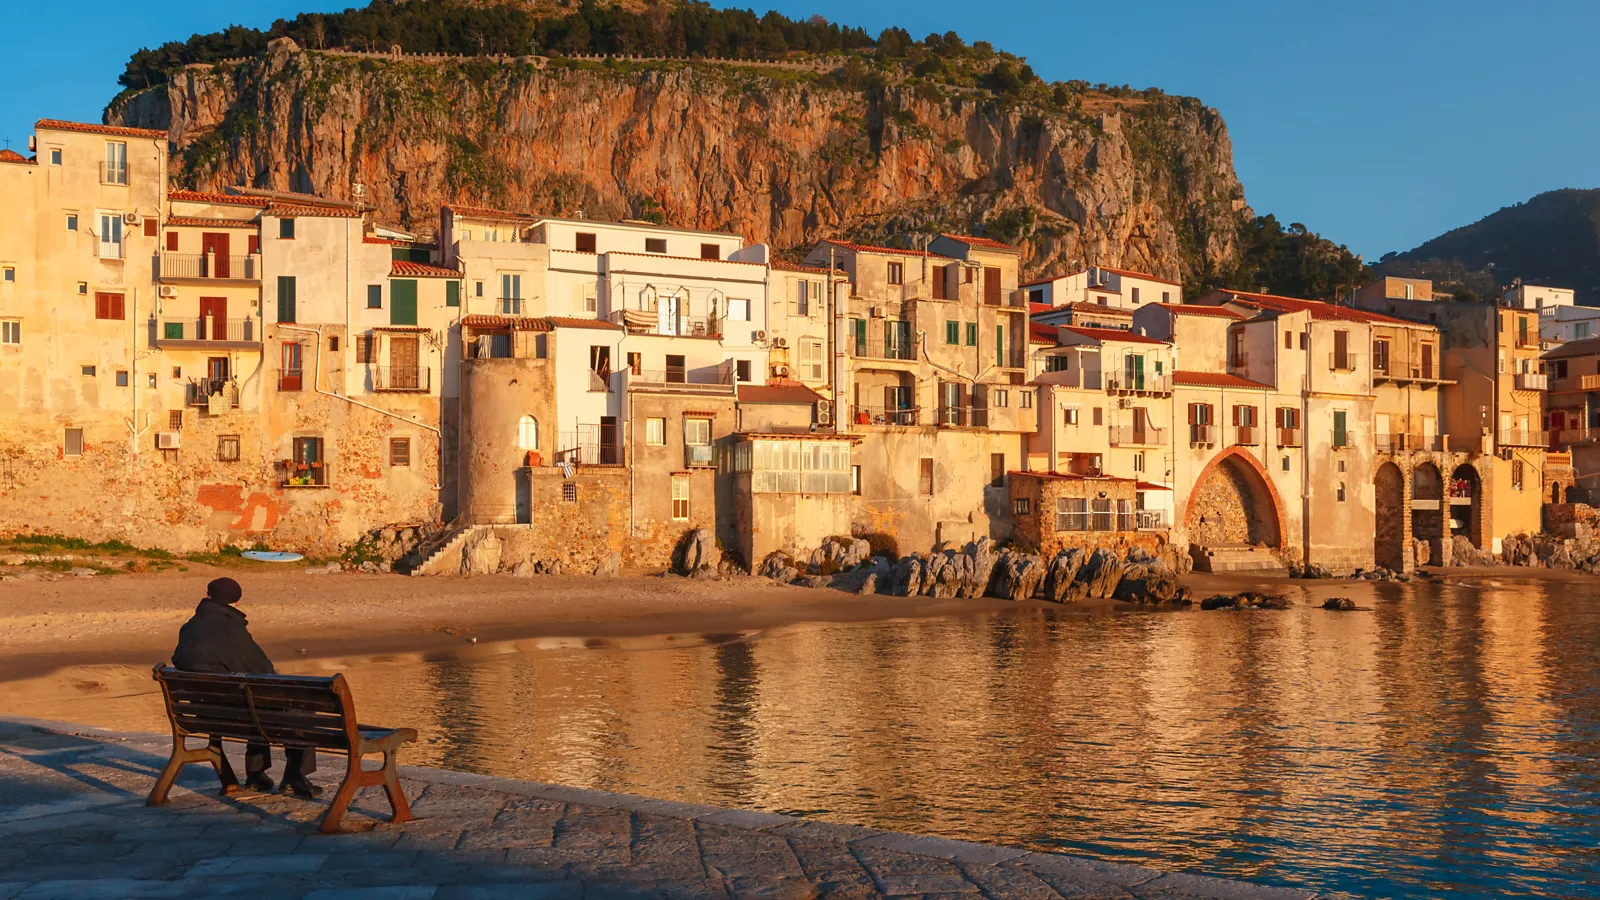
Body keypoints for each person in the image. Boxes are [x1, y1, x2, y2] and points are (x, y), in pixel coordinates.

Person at [172, 576, 322, 798]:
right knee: (300, 709)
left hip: (202, 713)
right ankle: (294, 777)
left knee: (253, 702)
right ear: (238, 602)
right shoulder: (231, 630)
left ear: (206, 596)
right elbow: (263, 671)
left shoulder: (189, 628)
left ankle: (256, 776)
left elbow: (179, 661)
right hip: (234, 714)